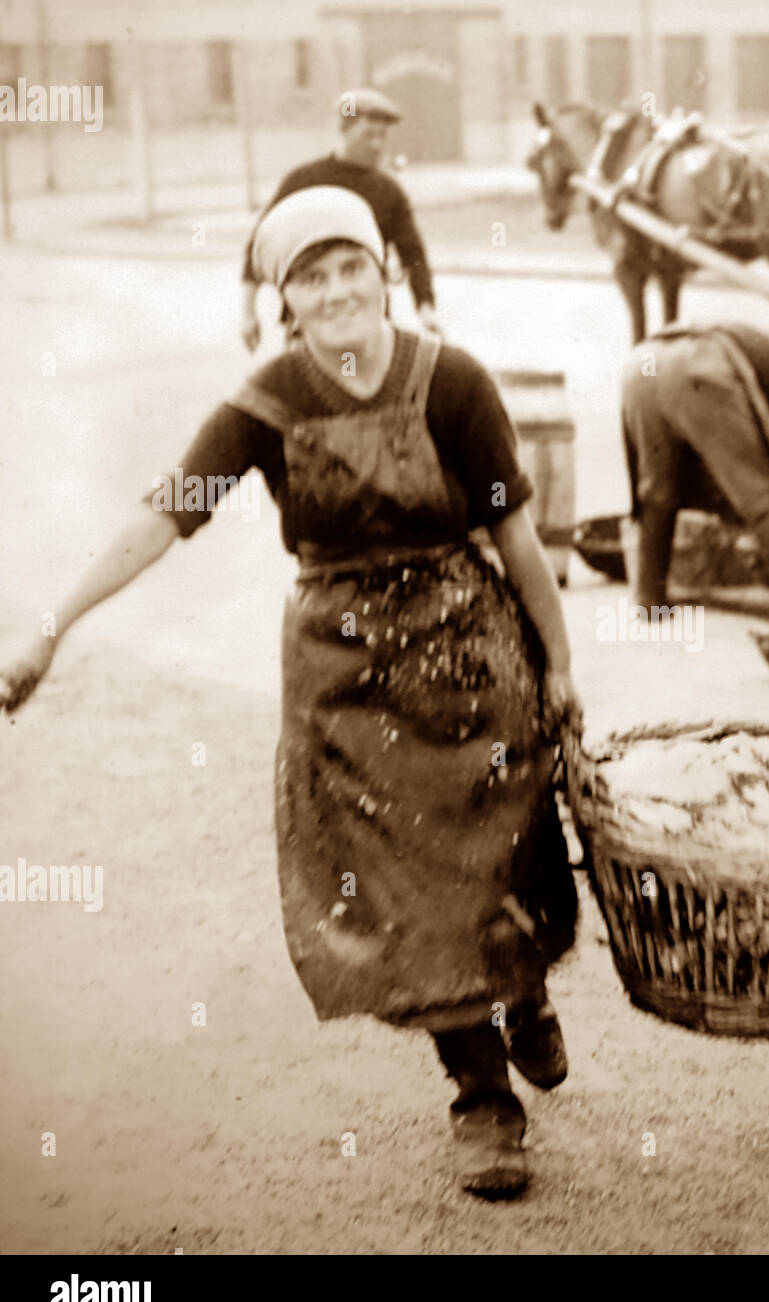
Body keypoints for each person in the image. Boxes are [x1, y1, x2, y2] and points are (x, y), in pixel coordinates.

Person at [2, 187, 581, 1201]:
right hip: (344, 678)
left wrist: (561, 663)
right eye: (311, 278)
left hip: (465, 650)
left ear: (383, 273)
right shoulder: (265, 401)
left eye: (350, 265)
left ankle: (519, 986)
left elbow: (517, 539)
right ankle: (482, 1099)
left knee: (500, 849)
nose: (337, 289)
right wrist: (50, 630)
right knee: (403, 888)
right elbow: (162, 517)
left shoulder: (453, 383)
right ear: (287, 302)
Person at [619, 320, 769, 616]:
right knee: (762, 499)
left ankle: (649, 598)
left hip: (643, 365)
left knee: (657, 491)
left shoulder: (754, 337)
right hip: (697, 368)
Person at [239, 89, 440, 352]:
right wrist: (248, 312)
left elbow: (413, 253)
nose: (377, 144)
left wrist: (425, 308)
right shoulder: (304, 180)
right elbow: (260, 244)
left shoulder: (389, 191)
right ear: (345, 131)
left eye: (382, 136)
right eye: (368, 135)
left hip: (369, 324)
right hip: (306, 328)